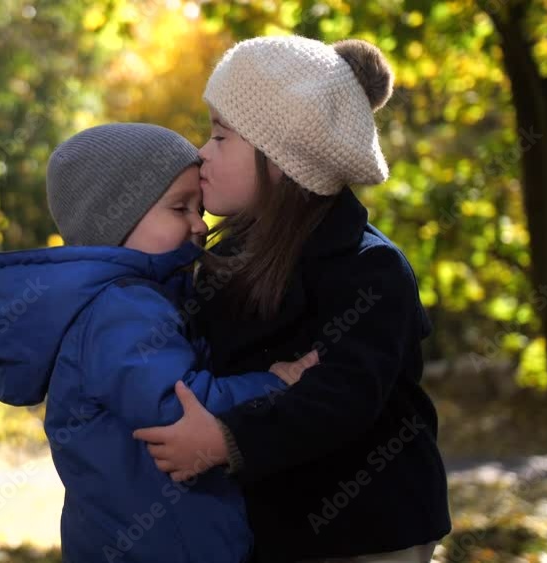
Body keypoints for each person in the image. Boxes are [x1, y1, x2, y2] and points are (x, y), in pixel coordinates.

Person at [133, 37, 451, 562]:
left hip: (370, 528)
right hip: (278, 527)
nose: (200, 152)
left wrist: (224, 440)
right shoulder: (230, 253)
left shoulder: (367, 269)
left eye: (219, 136)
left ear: (282, 159)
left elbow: (342, 400)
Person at [0, 123, 317, 563]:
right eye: (180, 208)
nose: (200, 223)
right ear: (118, 220)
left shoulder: (129, 299)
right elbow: (180, 407)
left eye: (199, 207)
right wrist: (275, 384)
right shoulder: (122, 309)